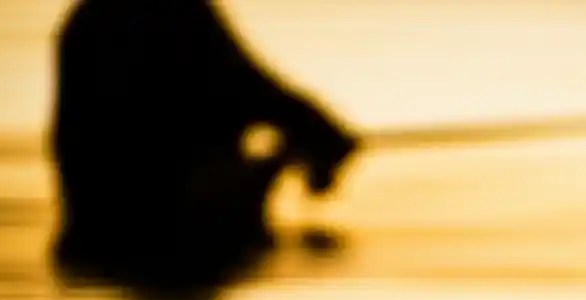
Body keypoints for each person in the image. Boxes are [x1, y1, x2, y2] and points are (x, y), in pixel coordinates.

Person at [50, 0, 358, 282]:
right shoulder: (177, 16)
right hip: (182, 235)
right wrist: (315, 143)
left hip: (88, 238)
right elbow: (259, 97)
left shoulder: (87, 20)